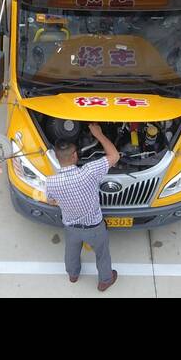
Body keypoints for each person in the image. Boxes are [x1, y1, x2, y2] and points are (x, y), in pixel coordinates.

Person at [44, 124, 121, 292]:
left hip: (71, 227)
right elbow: (115, 156)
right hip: (94, 227)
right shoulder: (88, 171)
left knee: (71, 252)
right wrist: (98, 134)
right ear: (75, 155)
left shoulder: (51, 182)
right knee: (102, 254)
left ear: (57, 157)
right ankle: (105, 280)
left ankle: (73, 274)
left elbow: (51, 201)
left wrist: (65, 201)